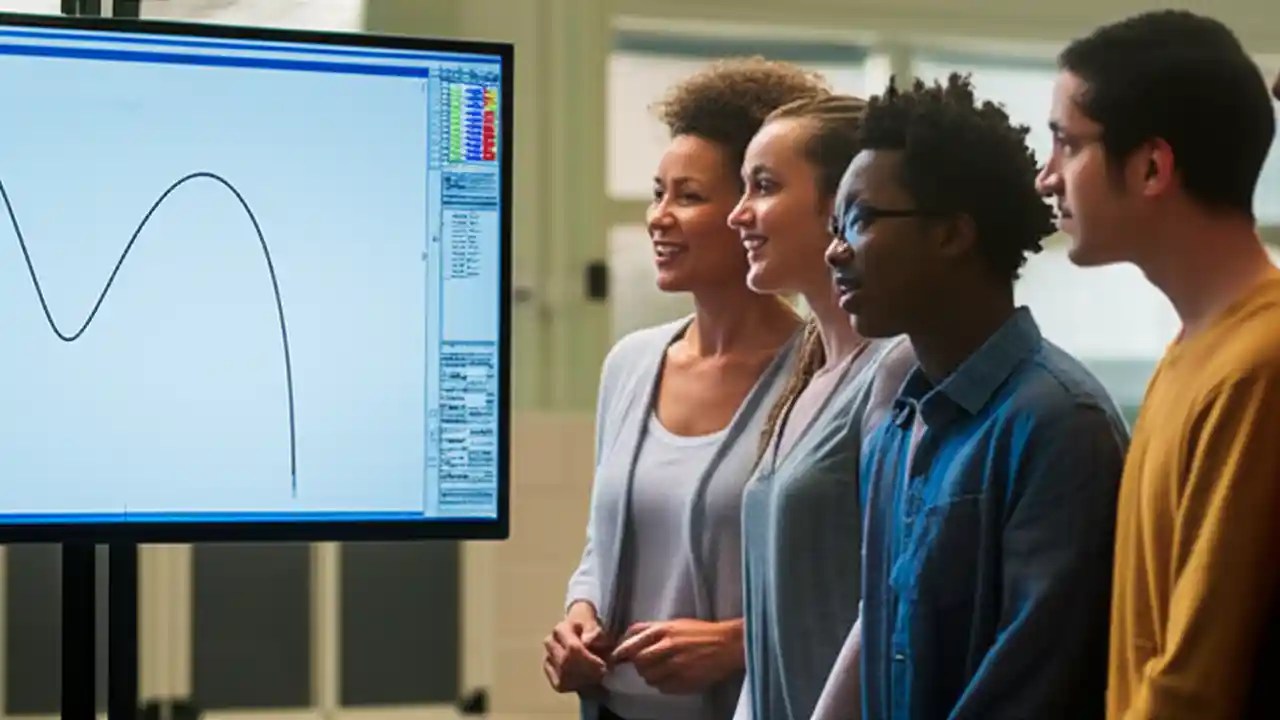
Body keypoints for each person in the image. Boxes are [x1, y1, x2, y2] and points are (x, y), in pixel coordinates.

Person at [826, 73, 1129, 719]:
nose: (834, 250)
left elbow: (1035, 683)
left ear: (952, 234)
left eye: (861, 220)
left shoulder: (1056, 423)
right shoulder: (896, 425)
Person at [544, 58, 831, 720]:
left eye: (689, 197)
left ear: (751, 209)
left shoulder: (821, 374)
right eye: (657, 192)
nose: (658, 218)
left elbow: (850, 582)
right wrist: (578, 616)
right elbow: (602, 546)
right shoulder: (631, 363)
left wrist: (739, 643)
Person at [1038, 10, 1280, 718]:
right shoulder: (1198, 347)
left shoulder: (1258, 365)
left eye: (1065, 144)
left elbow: (1194, 683)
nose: (1045, 177)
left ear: (1151, 166)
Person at [723, 94, 913, 720]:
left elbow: (883, 604)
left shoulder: (896, 367)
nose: (738, 215)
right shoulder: (805, 375)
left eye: (765, 187)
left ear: (842, 205)